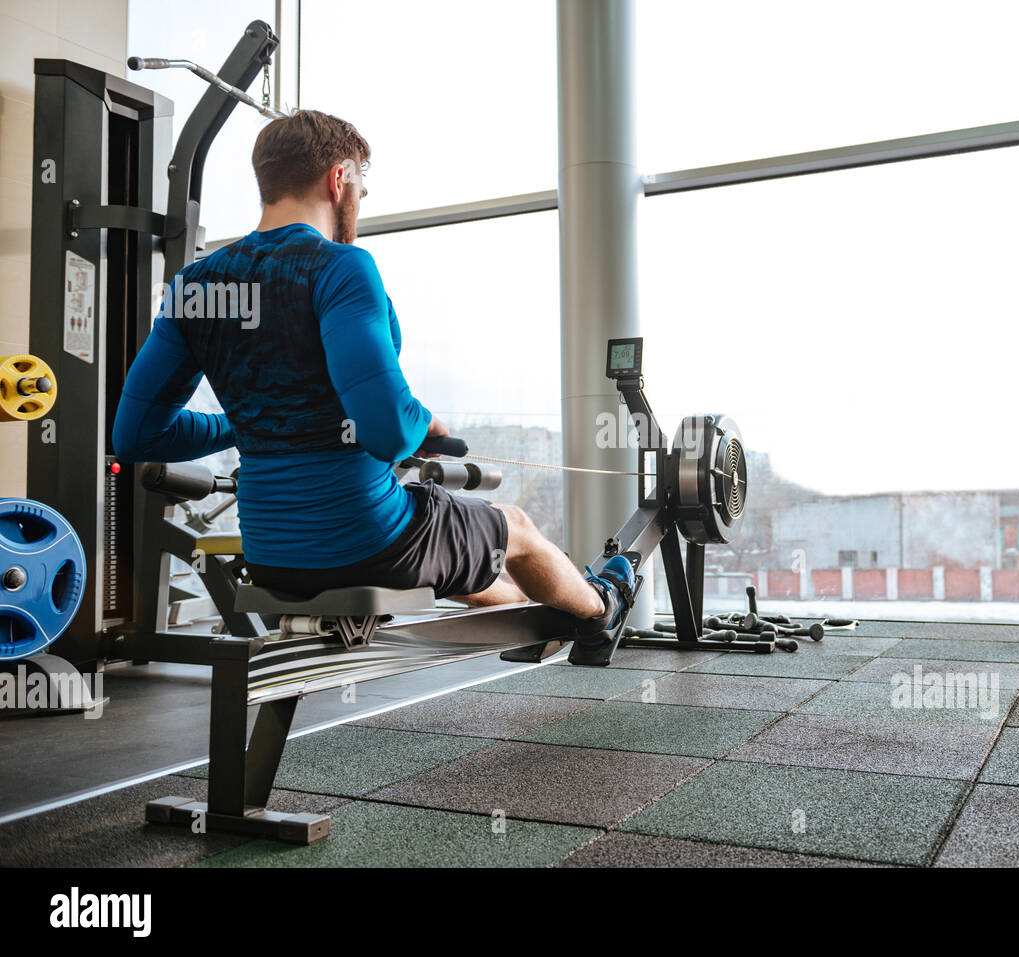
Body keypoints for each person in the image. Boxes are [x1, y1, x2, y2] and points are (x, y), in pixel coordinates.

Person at [112, 109, 632, 638]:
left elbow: (135, 436)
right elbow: (388, 431)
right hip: (369, 543)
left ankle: (540, 610)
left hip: (269, 554)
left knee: (453, 538)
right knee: (514, 527)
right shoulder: (339, 267)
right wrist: (424, 423)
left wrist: (248, 420)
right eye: (360, 183)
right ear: (339, 179)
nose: (359, 198)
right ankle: (602, 608)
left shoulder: (196, 285)